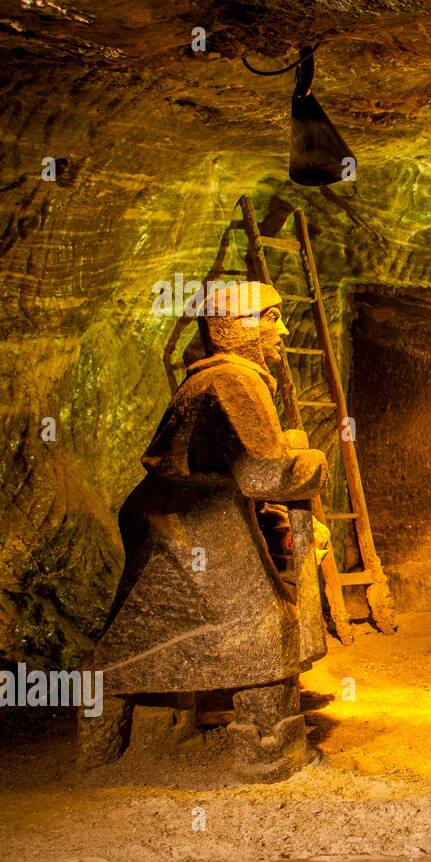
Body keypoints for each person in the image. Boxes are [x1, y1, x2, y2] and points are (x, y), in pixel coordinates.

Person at [80, 281, 328, 779]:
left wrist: (285, 447)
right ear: (235, 327)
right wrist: (313, 461)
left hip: (173, 512)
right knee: (261, 626)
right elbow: (263, 475)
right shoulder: (235, 383)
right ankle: (267, 749)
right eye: (271, 317)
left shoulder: (207, 381)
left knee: (151, 630)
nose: (281, 328)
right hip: (193, 520)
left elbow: (236, 457)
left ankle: (104, 730)